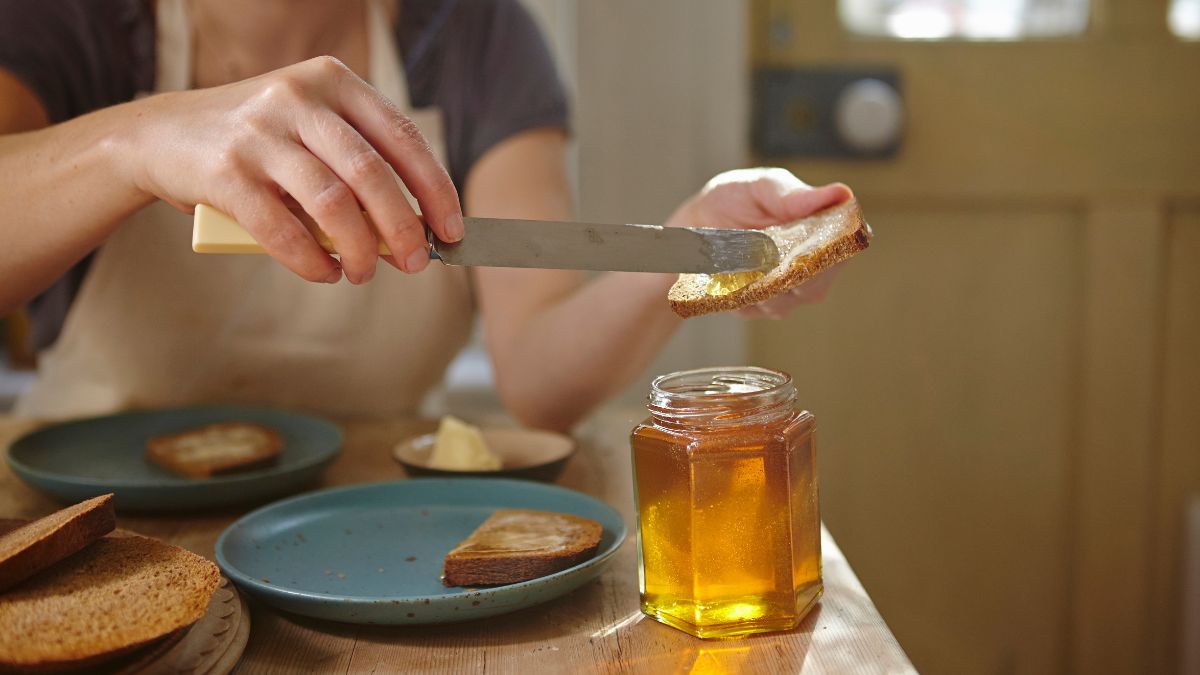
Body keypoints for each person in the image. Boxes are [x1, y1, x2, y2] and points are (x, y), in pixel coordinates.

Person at [0, 0, 852, 430]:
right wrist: (133, 143)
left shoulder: (477, 33)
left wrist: (692, 247)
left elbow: (540, 378)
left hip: (380, 529)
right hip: (91, 520)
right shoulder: (67, 20)